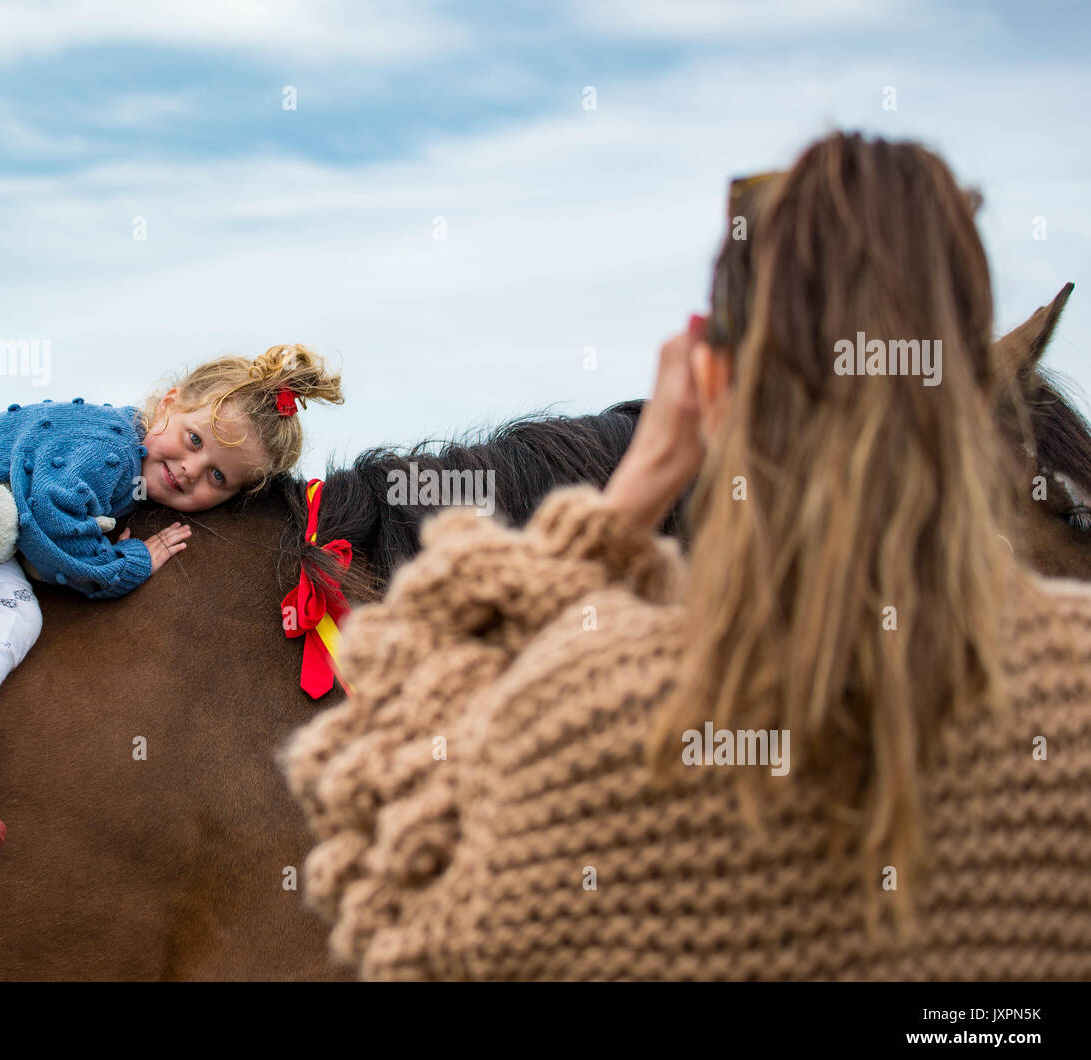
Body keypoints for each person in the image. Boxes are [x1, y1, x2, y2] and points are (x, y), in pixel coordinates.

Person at [280, 132, 1091, 980]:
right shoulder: (1074, 691)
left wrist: (624, 505)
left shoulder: (619, 708)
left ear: (707, 386)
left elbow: (377, 868)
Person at [0, 344, 343, 848]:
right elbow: (52, 527)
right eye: (193, 439)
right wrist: (124, 564)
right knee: (11, 613)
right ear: (167, 402)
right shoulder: (109, 449)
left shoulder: (121, 452)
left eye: (218, 476)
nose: (191, 468)